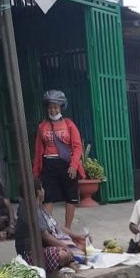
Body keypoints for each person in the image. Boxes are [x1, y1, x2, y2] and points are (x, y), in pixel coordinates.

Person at [32, 89, 84, 230]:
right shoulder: (42, 126)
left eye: (56, 107)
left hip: (67, 165)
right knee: (48, 197)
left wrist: (73, 166)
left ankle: (67, 228)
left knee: (70, 196)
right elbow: (38, 151)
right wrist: (35, 173)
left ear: (61, 107)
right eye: (50, 107)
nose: (53, 110)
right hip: (49, 164)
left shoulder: (69, 124)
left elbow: (78, 147)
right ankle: (48, 228)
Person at [15, 178, 82, 271]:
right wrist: (65, 246)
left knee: (80, 245)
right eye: (42, 188)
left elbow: (56, 226)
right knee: (63, 255)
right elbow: (46, 236)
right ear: (39, 192)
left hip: (45, 246)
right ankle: (65, 263)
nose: (44, 190)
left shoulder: (40, 207)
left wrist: (75, 236)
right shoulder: (30, 210)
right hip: (31, 253)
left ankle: (67, 261)